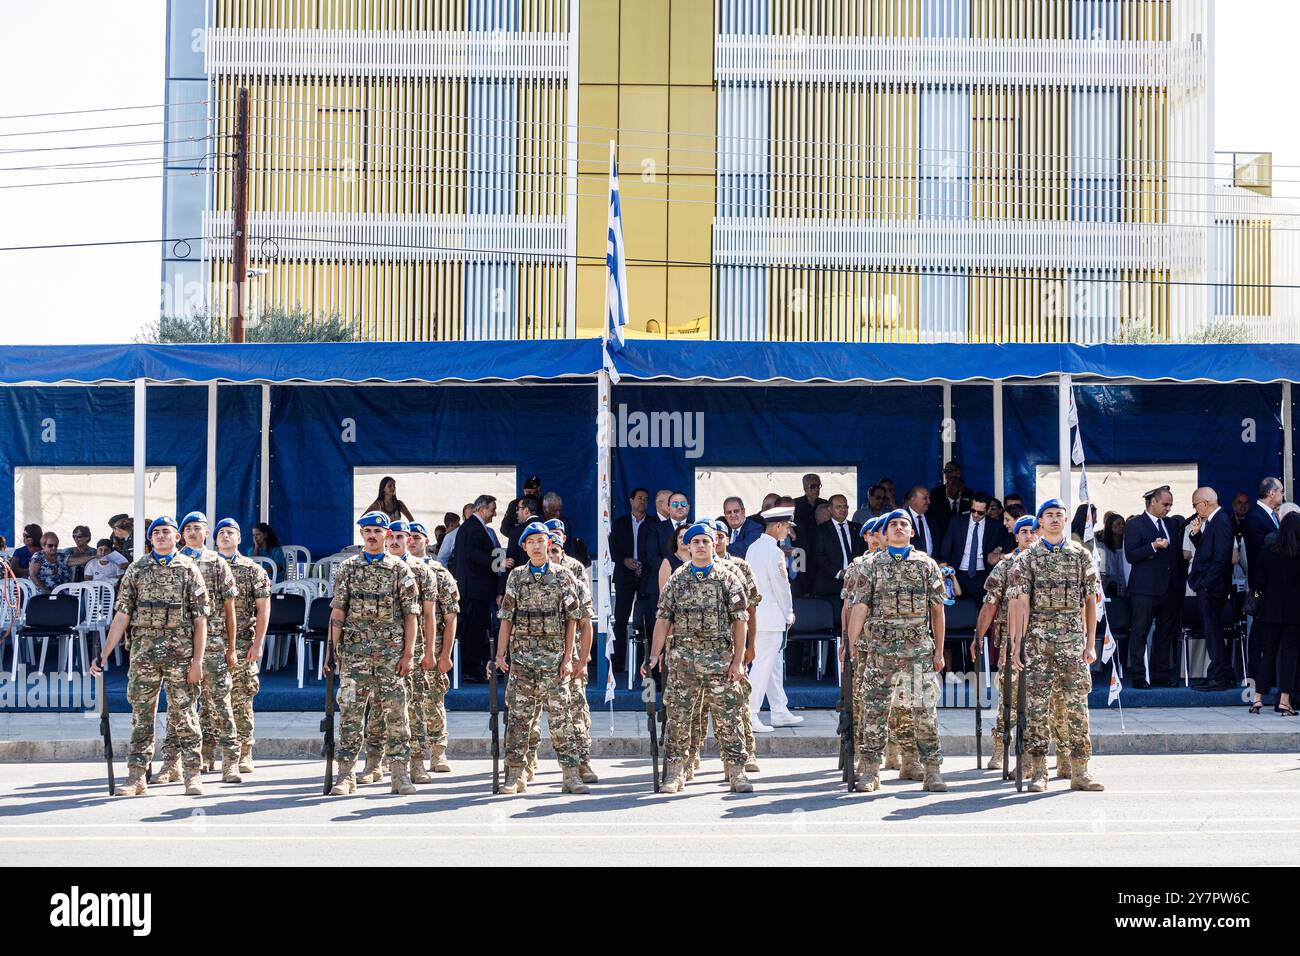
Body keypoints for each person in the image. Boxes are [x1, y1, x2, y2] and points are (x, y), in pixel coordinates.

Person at [90, 516, 209, 797]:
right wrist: (105, 655)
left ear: (177, 537)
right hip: (144, 656)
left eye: (165, 532)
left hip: (180, 655)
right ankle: (136, 777)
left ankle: (192, 775)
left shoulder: (189, 570)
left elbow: (200, 621)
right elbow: (122, 615)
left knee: (185, 715)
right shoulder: (137, 569)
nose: (160, 536)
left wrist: (198, 662)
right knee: (141, 716)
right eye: (155, 533)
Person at [844, 509, 948, 794]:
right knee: (874, 713)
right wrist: (851, 644)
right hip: (880, 653)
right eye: (894, 525)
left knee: (924, 713)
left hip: (918, 654)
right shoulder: (871, 565)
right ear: (885, 534)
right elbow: (860, 606)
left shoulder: (926, 565)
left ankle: (933, 771)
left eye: (905, 524)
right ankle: (869, 771)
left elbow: (937, 610)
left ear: (912, 532)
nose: (899, 528)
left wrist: (939, 651)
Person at [1006, 499, 1104, 792]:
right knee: (1037, 710)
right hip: (1038, 645)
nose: (1055, 520)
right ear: (1040, 522)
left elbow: (1090, 601)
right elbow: (1021, 604)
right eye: (1048, 515)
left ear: (1065, 520)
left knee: (1077, 708)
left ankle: (1080, 771)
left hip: (1072, 644)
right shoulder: (1029, 558)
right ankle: (1038, 771)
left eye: (1059, 515)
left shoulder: (1080, 555)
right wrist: (1017, 645)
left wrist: (1090, 644)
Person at [648, 521, 752, 794]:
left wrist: (738, 660)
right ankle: (674, 773)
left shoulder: (727, 578)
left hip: (720, 661)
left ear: (713, 544)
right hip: (684, 664)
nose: (701, 546)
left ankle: (737, 771)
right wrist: (654, 655)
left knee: (729, 718)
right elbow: (663, 619)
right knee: (678, 720)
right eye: (696, 542)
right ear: (688, 546)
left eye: (706, 541)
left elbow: (740, 621)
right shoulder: (678, 579)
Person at [325, 511, 420, 796]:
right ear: (362, 535)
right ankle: (345, 775)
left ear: (387, 536)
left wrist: (408, 654)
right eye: (367, 531)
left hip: (390, 656)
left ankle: (400, 775)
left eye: (377, 532)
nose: (372, 536)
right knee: (351, 716)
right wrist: (331, 652)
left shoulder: (400, 570)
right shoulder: (348, 569)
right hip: (355, 656)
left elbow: (410, 616)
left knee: (396, 716)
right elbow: (338, 611)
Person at [494, 520, 586, 794]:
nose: (536, 545)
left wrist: (569, 657)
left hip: (554, 662)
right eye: (531, 541)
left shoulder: (563, 576)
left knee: (561, 721)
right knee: (519, 722)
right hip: (522, 662)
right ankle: (514, 775)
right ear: (523, 546)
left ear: (550, 543)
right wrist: (500, 655)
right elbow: (507, 619)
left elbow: (573, 620)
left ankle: (571, 775)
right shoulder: (517, 577)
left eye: (541, 541)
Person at [157, 512, 241, 784]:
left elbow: (230, 610)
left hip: (214, 644)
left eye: (198, 528)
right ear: (182, 534)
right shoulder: (173, 562)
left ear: (207, 533)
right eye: (188, 528)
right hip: (178, 647)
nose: (193, 532)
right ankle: (172, 764)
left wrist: (231, 647)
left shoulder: (217, 564)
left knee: (220, 704)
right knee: (178, 708)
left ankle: (230, 762)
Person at [358, 520, 440, 786]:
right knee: (377, 709)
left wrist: (428, 652)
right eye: (390, 537)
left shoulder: (422, 570)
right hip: (378, 651)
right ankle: (373, 763)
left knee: (413, 709)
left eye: (399, 537)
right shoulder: (371, 567)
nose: (393, 542)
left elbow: (429, 616)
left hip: (412, 652)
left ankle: (415, 764)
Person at [522, 520, 599, 784]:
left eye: (553, 540)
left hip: (571, 651)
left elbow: (584, 617)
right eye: (546, 539)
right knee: (529, 712)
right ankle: (527, 761)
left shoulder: (574, 571)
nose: (549, 546)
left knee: (575, 710)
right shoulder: (527, 574)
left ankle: (581, 762)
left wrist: (582, 655)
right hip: (538, 652)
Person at [976, 515, 1036, 771]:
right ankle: (1000, 748)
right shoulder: (1005, 565)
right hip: (1012, 643)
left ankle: (1045, 757)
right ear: (1016, 536)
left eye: (1033, 531)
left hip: (1043, 640)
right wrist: (979, 636)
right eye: (1023, 531)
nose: (1028, 535)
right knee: (1009, 699)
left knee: (1044, 701)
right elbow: (990, 604)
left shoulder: (1047, 562)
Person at [212, 518, 271, 772]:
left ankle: (244, 751)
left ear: (239, 539)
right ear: (214, 539)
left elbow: (263, 609)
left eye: (230, 532)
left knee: (241, 698)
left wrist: (258, 644)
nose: (225, 536)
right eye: (221, 532)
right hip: (212, 641)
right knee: (210, 699)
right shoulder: (205, 566)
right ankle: (208, 752)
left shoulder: (252, 569)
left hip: (243, 642)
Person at [410, 522, 459, 773]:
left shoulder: (439, 574)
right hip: (402, 649)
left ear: (426, 542)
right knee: (401, 705)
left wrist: (445, 654)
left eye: (416, 537)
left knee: (433, 702)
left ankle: (438, 752)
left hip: (433, 646)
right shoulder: (395, 570)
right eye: (408, 537)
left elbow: (450, 617)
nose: (411, 541)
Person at [1124, 486, 1184, 688]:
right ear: (1153, 502)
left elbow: (1176, 555)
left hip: (1170, 588)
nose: (1168, 508)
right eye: (1165, 504)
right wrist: (1152, 546)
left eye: (1170, 505)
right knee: (1140, 631)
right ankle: (1139, 676)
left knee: (1165, 632)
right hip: (1145, 588)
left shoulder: (1172, 524)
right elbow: (1130, 555)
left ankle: (1160, 673)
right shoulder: (1135, 525)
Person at [746, 506, 798, 733]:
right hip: (770, 616)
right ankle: (750, 712)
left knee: (773, 666)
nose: (788, 531)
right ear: (777, 526)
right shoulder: (774, 552)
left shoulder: (753, 547)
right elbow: (781, 586)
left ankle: (779, 710)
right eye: (786, 526)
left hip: (759, 616)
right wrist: (789, 611)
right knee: (763, 666)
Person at [1188, 487, 1238, 690]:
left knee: (1214, 632)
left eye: (1195, 505)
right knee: (1212, 632)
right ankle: (1221, 673)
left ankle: (1219, 676)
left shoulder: (1222, 520)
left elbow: (1221, 557)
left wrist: (1206, 583)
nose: (1194, 509)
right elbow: (1207, 550)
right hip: (1210, 585)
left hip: (1213, 587)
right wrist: (1196, 534)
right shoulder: (1212, 522)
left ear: (1205, 503)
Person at [1251, 511, 1300, 716]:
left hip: (1268, 610)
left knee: (1267, 655)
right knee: (1289, 656)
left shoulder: (1267, 550)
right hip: (1295, 612)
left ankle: (1257, 699)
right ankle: (1285, 701)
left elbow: (1257, 582)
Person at [452, 495, 501, 682]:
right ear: (482, 509)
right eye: (492, 509)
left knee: (477, 630)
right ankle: (470, 669)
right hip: (473, 590)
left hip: (477, 590)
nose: (494, 513)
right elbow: (474, 554)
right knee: (473, 631)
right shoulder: (472, 527)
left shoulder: (474, 527)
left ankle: (473, 667)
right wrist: (498, 562)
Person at [609, 488, 654, 676]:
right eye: (639, 498)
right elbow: (612, 547)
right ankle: (617, 665)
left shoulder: (652, 523)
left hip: (646, 576)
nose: (642, 502)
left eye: (645, 499)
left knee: (648, 621)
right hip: (624, 577)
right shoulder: (619, 523)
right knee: (620, 620)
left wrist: (647, 565)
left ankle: (647, 664)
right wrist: (625, 560)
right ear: (631, 500)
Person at [939, 491, 998, 602]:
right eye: (973, 510)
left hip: (983, 575)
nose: (975, 515)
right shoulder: (957, 521)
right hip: (957, 574)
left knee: (981, 609)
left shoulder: (995, 526)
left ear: (988, 509)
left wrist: (998, 550)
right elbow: (946, 545)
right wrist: (944, 565)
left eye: (980, 513)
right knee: (957, 610)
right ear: (971, 505)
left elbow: (1003, 543)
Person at [813, 494, 865, 609]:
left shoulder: (857, 528)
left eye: (845, 506)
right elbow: (818, 557)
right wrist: (839, 573)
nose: (843, 510)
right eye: (838, 507)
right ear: (830, 509)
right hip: (831, 586)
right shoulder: (821, 530)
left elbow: (864, 553)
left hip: (856, 584)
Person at [929, 460, 972, 544]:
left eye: (950, 471)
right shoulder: (936, 493)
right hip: (942, 537)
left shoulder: (969, 493)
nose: (947, 474)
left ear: (958, 473)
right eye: (945, 471)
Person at [542, 492, 589, 566]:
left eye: (559, 510)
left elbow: (568, 547)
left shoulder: (564, 523)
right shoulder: (538, 524)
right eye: (554, 511)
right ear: (545, 509)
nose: (557, 514)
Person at [500, 475, 543, 542]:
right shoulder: (515, 504)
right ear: (524, 491)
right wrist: (520, 536)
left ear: (539, 490)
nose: (531, 495)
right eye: (528, 492)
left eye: (535, 493)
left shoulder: (545, 503)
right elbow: (504, 528)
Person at [1096, 512, 1130, 597]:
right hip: (1109, 593)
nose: (1122, 526)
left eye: (1123, 523)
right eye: (1118, 524)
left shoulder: (1128, 546)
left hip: (1127, 591)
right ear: (1110, 526)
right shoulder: (1102, 547)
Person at [656, 490, 692, 557]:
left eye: (683, 504)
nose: (679, 507)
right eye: (675, 504)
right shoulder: (656, 528)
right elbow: (653, 557)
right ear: (668, 508)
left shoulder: (695, 527)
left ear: (688, 507)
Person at [658, 524, 691, 591]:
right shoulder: (667, 562)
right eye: (681, 537)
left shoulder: (698, 561)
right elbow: (663, 594)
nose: (684, 540)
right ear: (676, 540)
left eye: (687, 537)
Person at [905, 486, 936, 555]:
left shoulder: (933, 518)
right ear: (913, 500)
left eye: (929, 498)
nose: (929, 501)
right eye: (925, 498)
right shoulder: (902, 519)